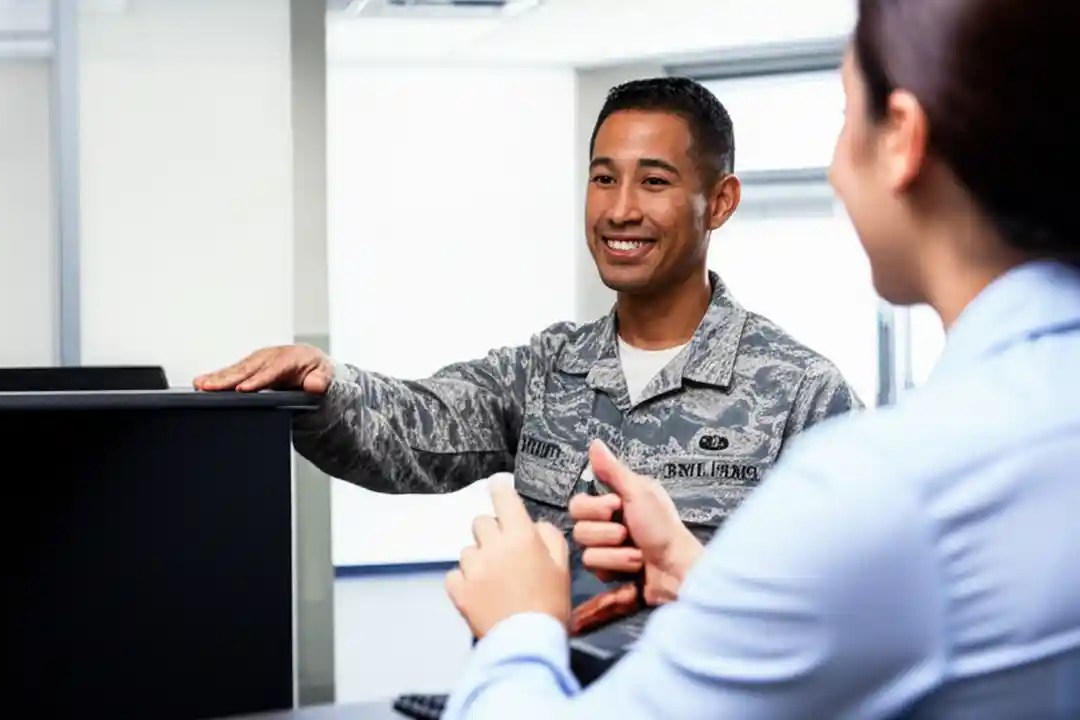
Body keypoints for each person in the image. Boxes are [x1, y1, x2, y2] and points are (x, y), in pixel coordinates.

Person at [439, 0, 1080, 716]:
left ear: (901, 139)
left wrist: (518, 626)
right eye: (604, 178)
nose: (836, 170)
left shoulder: (880, 488)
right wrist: (694, 571)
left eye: (845, 116)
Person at [195, 78, 859, 608]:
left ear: (719, 203)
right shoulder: (547, 371)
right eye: (604, 178)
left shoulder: (801, 393)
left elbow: (853, 610)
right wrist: (323, 387)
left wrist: (700, 578)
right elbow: (415, 428)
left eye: (654, 181)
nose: (620, 208)